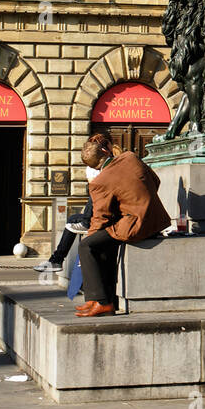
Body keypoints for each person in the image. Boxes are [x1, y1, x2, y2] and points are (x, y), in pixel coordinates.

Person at [75, 134, 171, 318]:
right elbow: (155, 181)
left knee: (86, 246)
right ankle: (106, 301)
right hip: (157, 220)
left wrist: (90, 235)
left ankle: (99, 301)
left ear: (91, 166)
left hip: (135, 226)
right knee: (106, 247)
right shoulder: (130, 157)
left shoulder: (99, 182)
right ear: (105, 151)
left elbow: (101, 217)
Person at [34, 155, 104, 274]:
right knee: (72, 219)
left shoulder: (103, 181)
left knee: (76, 219)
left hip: (106, 217)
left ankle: (57, 260)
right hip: (98, 215)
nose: (89, 179)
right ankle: (57, 260)